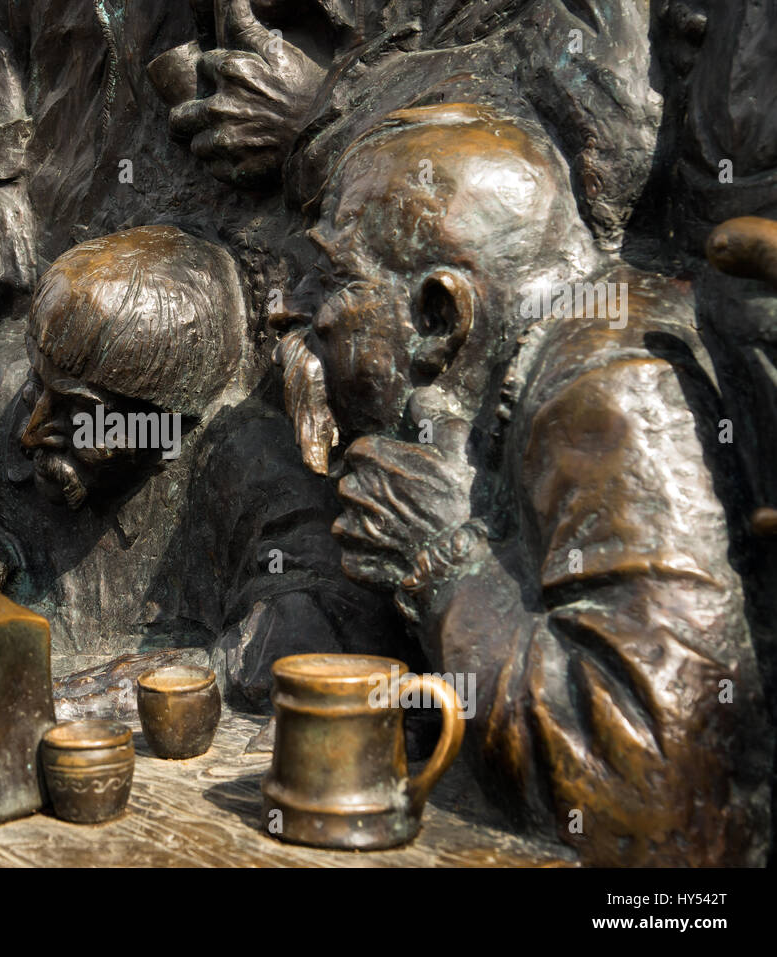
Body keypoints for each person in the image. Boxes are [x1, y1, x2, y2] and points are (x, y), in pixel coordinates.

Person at [283, 102, 771, 865]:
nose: (297, 308)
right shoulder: (524, 371)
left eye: (335, 280)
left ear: (440, 317)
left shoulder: (611, 392)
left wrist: (446, 565)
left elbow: (653, 787)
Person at [0, 225, 407, 707]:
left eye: (79, 414)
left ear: (168, 427)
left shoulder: (250, 467)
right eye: (34, 384)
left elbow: (317, 627)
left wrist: (131, 690)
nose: (30, 432)